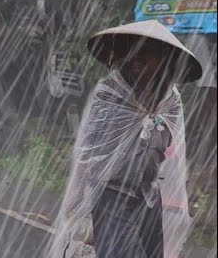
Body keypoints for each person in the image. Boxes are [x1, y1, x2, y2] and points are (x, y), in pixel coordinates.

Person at [50, 19, 202, 258]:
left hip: (148, 196)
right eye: (133, 49)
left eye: (146, 51)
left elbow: (170, 150)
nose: (137, 57)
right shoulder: (110, 92)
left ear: (164, 58)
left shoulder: (170, 102)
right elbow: (89, 150)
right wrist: (78, 200)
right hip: (111, 194)